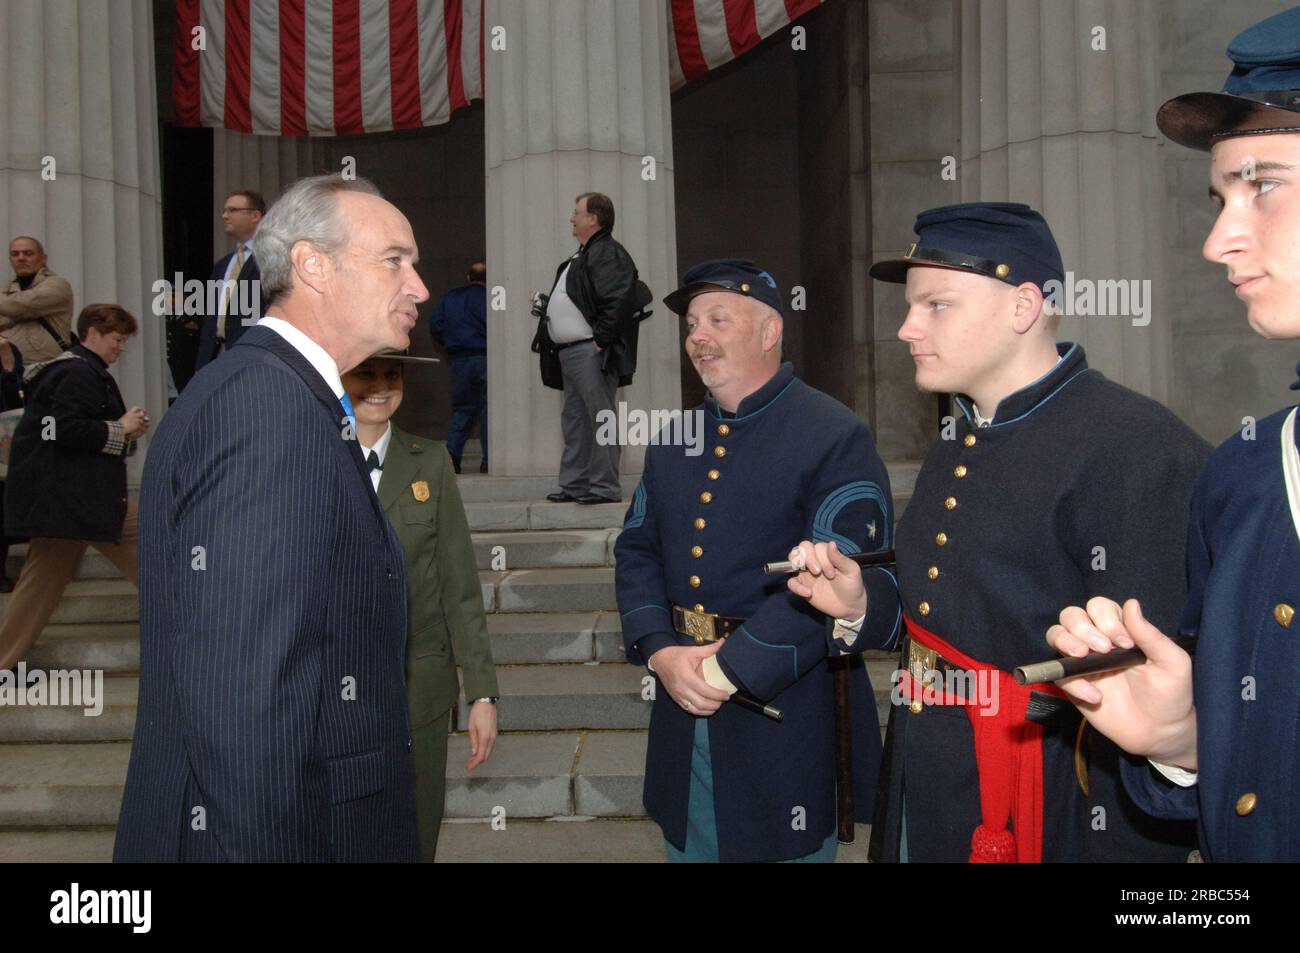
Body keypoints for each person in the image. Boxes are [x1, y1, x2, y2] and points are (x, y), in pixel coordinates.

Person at [792, 203, 1210, 862]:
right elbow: (950, 610)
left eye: (936, 305)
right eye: (910, 306)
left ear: (1022, 306)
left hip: (1047, 804)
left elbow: (1146, 700)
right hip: (928, 775)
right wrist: (863, 605)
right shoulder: (961, 431)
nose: (905, 328)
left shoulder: (1137, 447)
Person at [1046, 7, 1300, 863]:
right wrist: (1183, 742)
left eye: (1262, 184)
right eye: (1219, 196)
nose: (1218, 239)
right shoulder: (1245, 471)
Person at [115, 174, 429, 862]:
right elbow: (242, 693)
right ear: (313, 264)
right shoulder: (266, 409)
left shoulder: (286, 396)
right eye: (395, 260)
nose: (419, 287)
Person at [614, 259, 896, 863]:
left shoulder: (832, 433)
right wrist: (660, 651)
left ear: (770, 332)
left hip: (785, 714)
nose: (698, 336)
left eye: (718, 318)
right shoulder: (674, 437)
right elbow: (636, 549)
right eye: (692, 324)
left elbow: (836, 579)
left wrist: (726, 671)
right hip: (680, 699)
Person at [341, 353, 499, 861]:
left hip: (420, 685)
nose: (381, 387)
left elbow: (459, 584)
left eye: (392, 375)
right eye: (367, 374)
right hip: (334, 687)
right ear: (340, 378)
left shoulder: (430, 460)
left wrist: (482, 693)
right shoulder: (313, 456)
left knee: (415, 826)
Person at [0, 304, 147, 670]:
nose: (122, 347)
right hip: (75, 503)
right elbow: (65, 430)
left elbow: (71, 433)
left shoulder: (77, 371)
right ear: (93, 333)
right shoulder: (76, 374)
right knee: (157, 554)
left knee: (38, 590)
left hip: (75, 503)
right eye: (118, 339)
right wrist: (122, 429)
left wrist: (123, 433)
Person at [543, 193, 641, 505]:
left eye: (577, 212)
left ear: (594, 218)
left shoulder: (606, 253)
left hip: (591, 350)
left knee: (600, 419)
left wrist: (602, 337)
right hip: (573, 351)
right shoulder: (585, 254)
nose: (572, 218)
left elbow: (619, 297)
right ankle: (575, 485)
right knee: (575, 420)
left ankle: (603, 488)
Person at [193, 190, 265, 372]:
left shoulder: (271, 260)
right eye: (224, 211)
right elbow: (211, 318)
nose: (225, 216)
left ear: (255, 215)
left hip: (253, 357)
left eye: (233, 210)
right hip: (216, 356)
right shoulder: (222, 265)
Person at [429, 261, 488, 473]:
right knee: (488, 410)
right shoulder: (489, 298)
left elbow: (436, 323)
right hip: (485, 358)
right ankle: (489, 460)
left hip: (459, 360)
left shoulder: (451, 298)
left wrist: (449, 343)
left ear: (469, 278)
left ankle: (452, 457)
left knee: (462, 409)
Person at [0, 236, 75, 364]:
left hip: (47, 369)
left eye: (28, 253)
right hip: (11, 372)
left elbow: (18, 305)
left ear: (43, 259)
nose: (21, 258)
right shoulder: (6, 292)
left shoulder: (57, 285)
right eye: (15, 254)